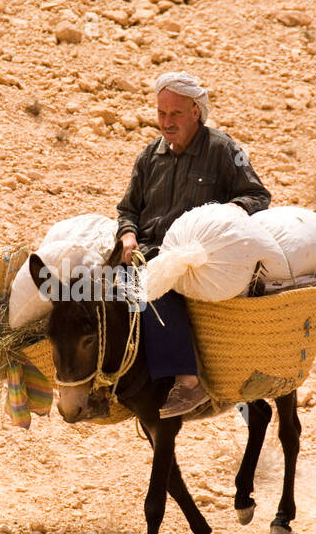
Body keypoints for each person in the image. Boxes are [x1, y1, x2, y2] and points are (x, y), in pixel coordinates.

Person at [115, 72, 271, 417]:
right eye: (161, 114)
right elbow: (128, 209)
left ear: (195, 112)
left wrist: (230, 212)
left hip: (193, 256)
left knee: (154, 288)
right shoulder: (148, 157)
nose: (166, 123)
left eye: (175, 114)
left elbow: (258, 195)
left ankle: (188, 382)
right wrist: (127, 234)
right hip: (145, 250)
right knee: (97, 291)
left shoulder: (223, 149)